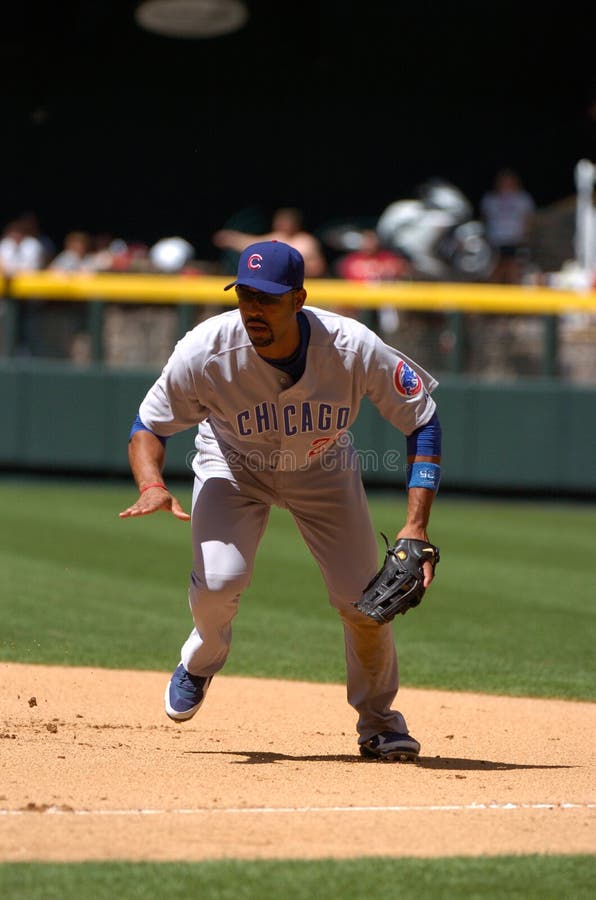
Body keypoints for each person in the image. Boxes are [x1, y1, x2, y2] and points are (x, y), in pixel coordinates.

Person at [119, 240, 442, 761]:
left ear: (298, 299)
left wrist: (415, 524)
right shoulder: (206, 350)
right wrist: (151, 482)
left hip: (323, 467)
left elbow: (421, 418)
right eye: (245, 294)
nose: (253, 309)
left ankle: (379, 723)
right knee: (219, 584)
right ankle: (201, 660)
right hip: (233, 463)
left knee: (365, 601)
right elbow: (148, 425)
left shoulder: (351, 346)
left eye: (267, 298)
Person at [213, 207, 327, 277]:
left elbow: (318, 267)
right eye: (279, 220)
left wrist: (288, 268)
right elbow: (252, 244)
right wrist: (231, 238)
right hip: (282, 286)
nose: (281, 224)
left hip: (307, 286)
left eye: (285, 221)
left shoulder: (306, 241)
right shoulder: (276, 237)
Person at [480, 169, 535, 284]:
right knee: (494, 269)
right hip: (495, 240)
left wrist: (525, 238)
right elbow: (484, 219)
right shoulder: (490, 199)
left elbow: (527, 219)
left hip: (514, 239)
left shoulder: (523, 198)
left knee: (513, 268)